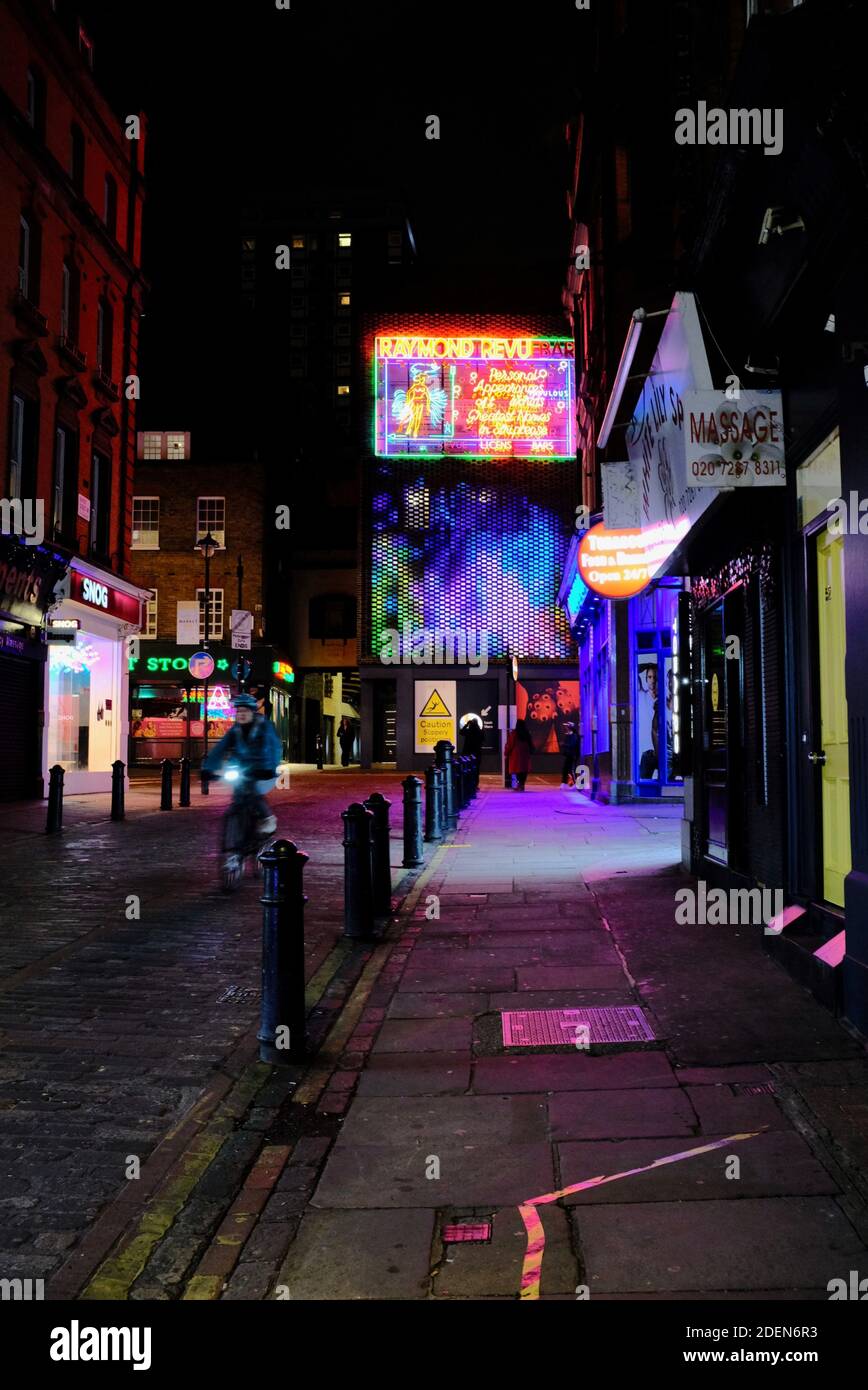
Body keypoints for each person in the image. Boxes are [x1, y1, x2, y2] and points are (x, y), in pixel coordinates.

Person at [202, 692, 281, 834]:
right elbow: (221, 748)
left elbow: (273, 747)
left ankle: (268, 818)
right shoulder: (235, 729)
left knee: (252, 791)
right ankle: (238, 838)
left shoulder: (264, 726)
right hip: (242, 767)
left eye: (245, 711)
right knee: (238, 794)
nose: (241, 714)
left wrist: (270, 767)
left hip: (262, 767)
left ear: (252, 712)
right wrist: (208, 768)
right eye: (238, 711)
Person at [505, 717, 533, 790]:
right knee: (524, 770)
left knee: (518, 770)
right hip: (525, 754)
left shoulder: (514, 733)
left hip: (516, 755)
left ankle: (519, 785)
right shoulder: (527, 733)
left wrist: (506, 753)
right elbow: (531, 744)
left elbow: (510, 744)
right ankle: (522, 785)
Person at [560, 722, 580, 787]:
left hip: (573, 755)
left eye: (567, 726)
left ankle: (575, 784)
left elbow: (572, 745)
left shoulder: (574, 735)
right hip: (569, 755)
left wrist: (564, 745)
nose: (566, 728)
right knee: (565, 769)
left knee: (572, 769)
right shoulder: (568, 735)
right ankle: (564, 783)